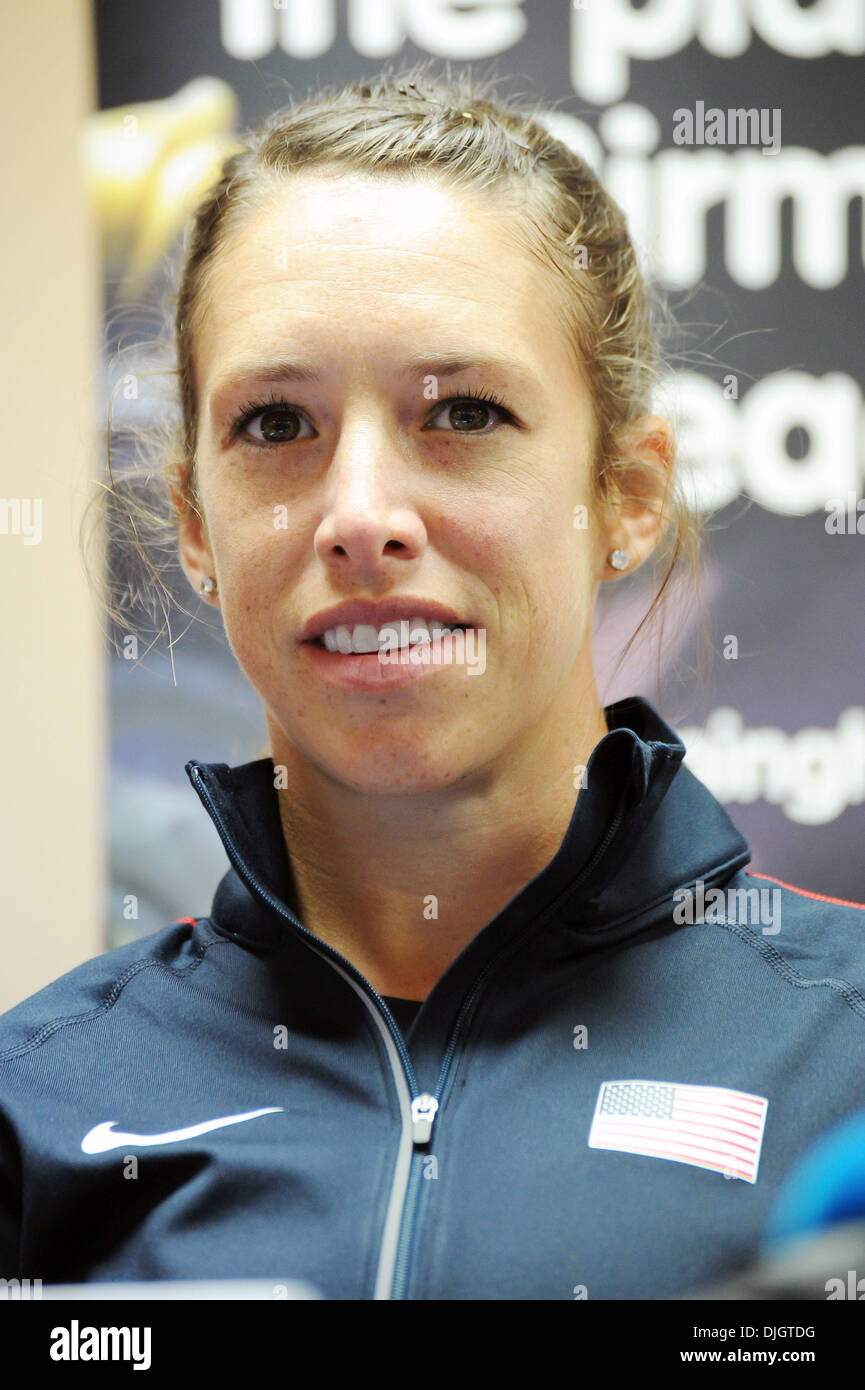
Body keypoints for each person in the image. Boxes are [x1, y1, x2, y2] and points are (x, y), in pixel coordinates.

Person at [1, 65, 863, 1301]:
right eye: (276, 426)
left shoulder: (847, 1060)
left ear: (624, 493)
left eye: (461, 410)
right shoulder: (35, 1097)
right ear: (195, 524)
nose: (359, 517)